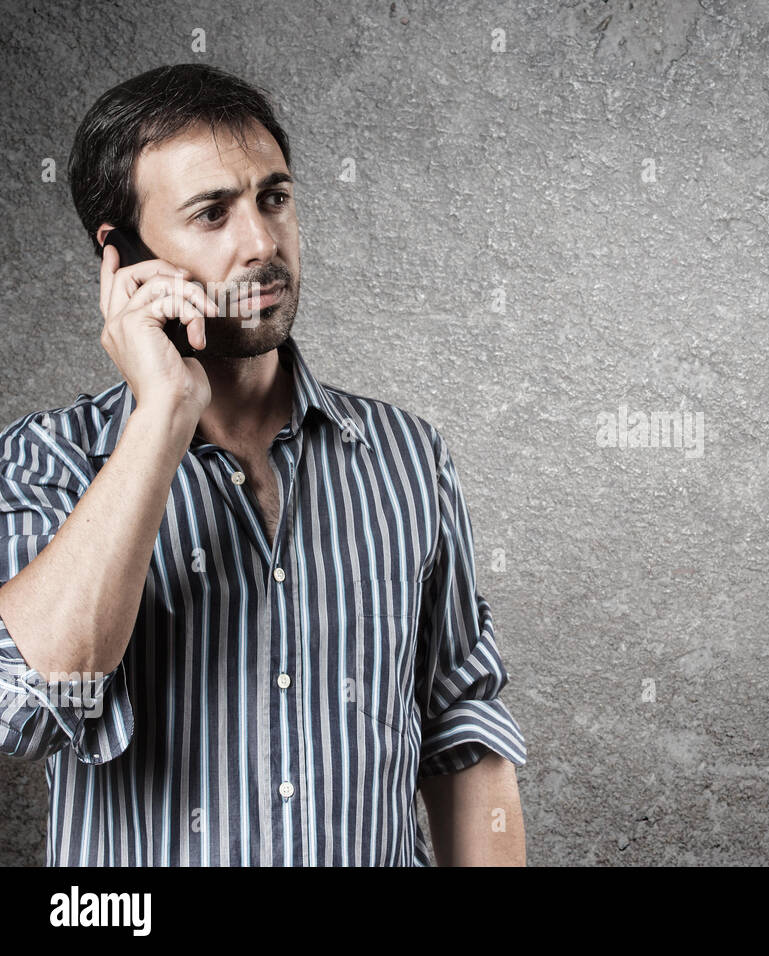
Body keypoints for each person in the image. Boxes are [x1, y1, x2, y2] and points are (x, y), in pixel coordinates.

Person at [0, 64, 526, 866]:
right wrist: (162, 419)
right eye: (212, 213)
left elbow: (465, 733)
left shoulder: (408, 458)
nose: (261, 243)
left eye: (273, 198)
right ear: (123, 253)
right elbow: (34, 703)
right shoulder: (48, 461)